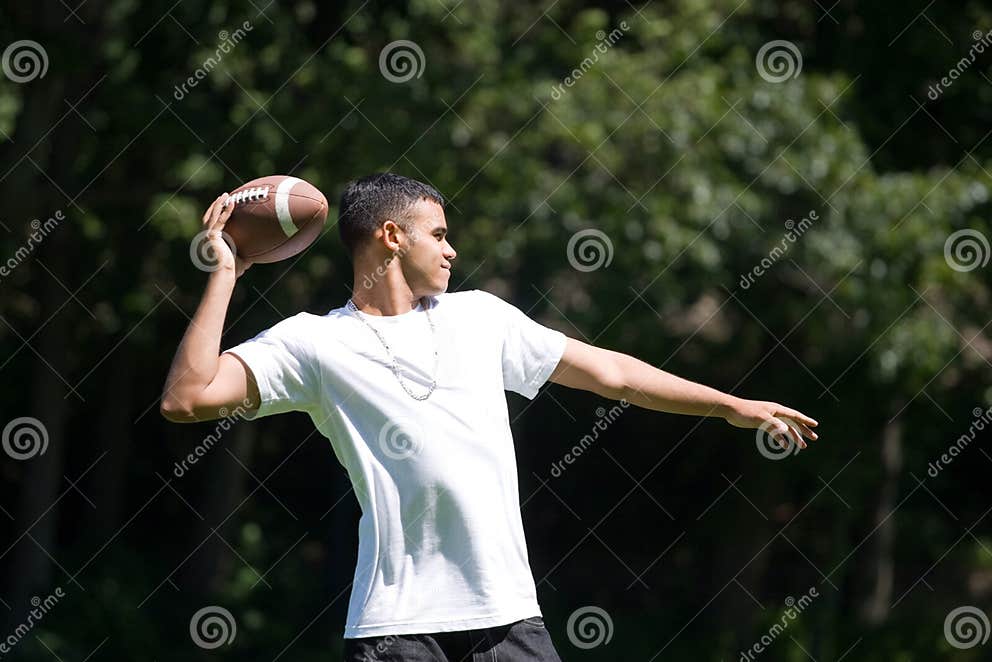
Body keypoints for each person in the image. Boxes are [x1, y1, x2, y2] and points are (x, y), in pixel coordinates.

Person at [160, 172, 819, 661]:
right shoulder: (315, 343)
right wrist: (227, 272)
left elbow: (612, 374)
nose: (451, 251)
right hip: (396, 628)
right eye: (440, 235)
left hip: (506, 620)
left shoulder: (481, 317)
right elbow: (187, 399)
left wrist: (730, 404)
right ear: (391, 237)